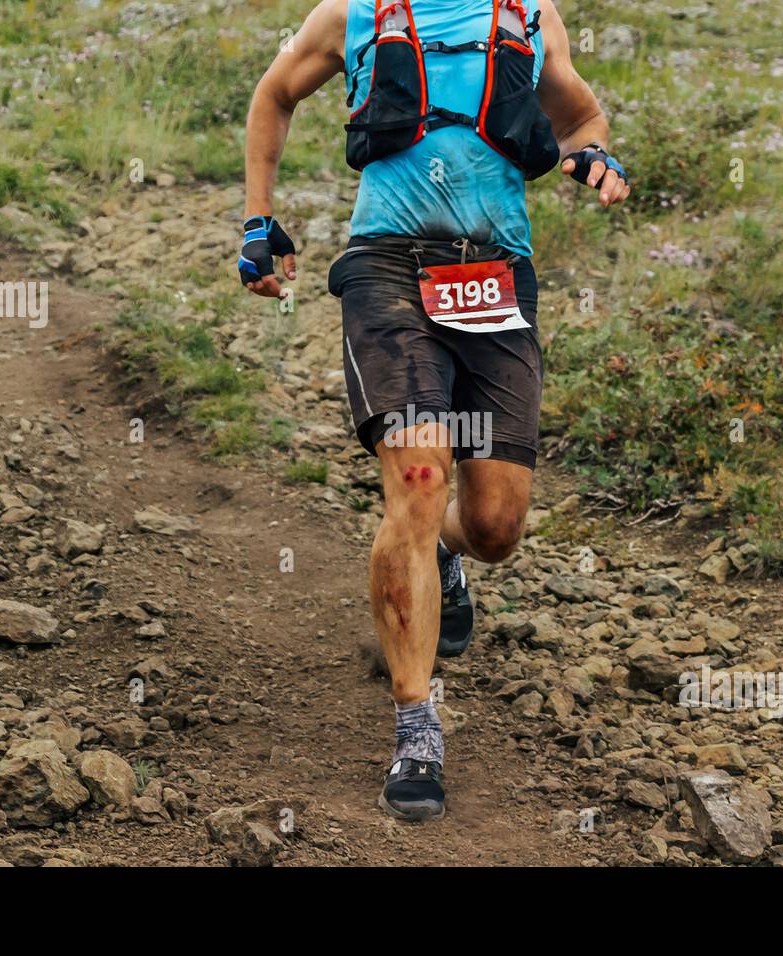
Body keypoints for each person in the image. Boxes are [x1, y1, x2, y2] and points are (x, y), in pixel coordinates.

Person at [239, 0, 630, 822]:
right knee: (419, 479)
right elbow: (276, 93)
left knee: (494, 527)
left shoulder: (529, 16)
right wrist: (258, 217)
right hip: (386, 270)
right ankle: (417, 729)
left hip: (496, 275)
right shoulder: (350, 15)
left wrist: (592, 153)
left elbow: (579, 112)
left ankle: (449, 554)